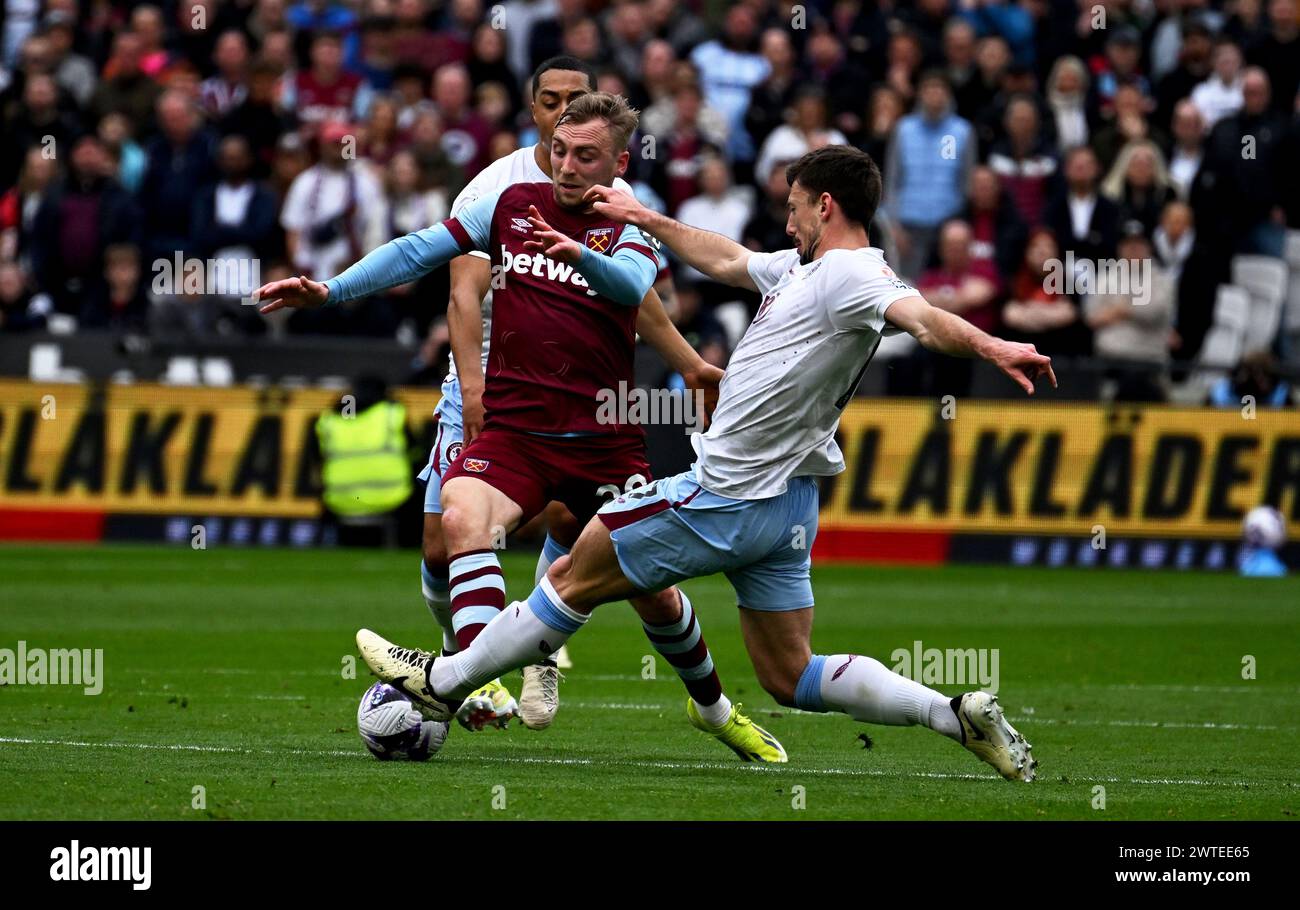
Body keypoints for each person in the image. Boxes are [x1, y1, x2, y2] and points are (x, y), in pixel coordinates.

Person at [356, 145, 1053, 781]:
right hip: (787, 506)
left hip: (723, 493)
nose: (787, 225)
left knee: (570, 574)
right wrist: (644, 216)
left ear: (825, 206)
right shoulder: (801, 269)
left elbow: (923, 318)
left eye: (793, 209)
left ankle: (441, 684)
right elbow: (723, 257)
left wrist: (993, 347)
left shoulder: (851, 274)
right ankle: (951, 712)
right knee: (791, 673)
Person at [255, 91, 785, 764]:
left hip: (602, 439)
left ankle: (711, 708)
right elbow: (421, 249)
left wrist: (577, 254)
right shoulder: (510, 205)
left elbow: (628, 288)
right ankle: (484, 680)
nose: (565, 166)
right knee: (460, 513)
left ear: (619, 161)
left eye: (585, 155)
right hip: (517, 431)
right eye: (560, 150)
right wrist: (331, 290)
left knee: (652, 593)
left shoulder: (630, 222)